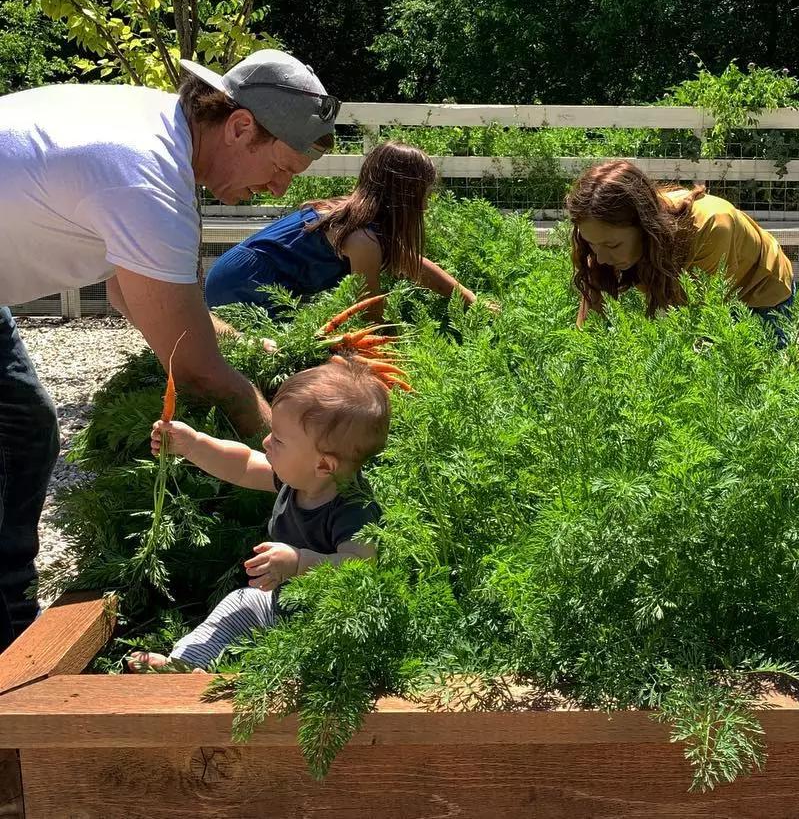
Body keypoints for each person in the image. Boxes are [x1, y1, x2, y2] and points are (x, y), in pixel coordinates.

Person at [0, 48, 337, 650]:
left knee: (21, 428)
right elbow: (200, 372)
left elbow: (130, 294)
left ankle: (8, 621)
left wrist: (252, 344)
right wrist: (295, 470)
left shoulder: (152, 128)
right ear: (239, 126)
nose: (279, 189)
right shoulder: (148, 177)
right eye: (281, 167)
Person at [126, 354, 389, 672]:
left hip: (331, 625)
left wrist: (299, 562)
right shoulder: (298, 478)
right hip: (280, 607)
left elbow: (358, 566)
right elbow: (242, 464)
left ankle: (246, 680)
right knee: (239, 603)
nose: (265, 441)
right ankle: (182, 664)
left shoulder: (354, 510)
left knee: (314, 665)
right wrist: (193, 445)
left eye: (278, 439)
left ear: (323, 465)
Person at [204, 141, 480, 317]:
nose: (428, 200)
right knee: (277, 360)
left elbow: (412, 264)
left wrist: (471, 301)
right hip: (246, 281)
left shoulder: (356, 217)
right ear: (406, 195)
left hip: (235, 270)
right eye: (425, 192)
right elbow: (369, 311)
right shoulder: (362, 239)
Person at [567, 160, 796, 340]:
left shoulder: (712, 226)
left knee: (753, 386)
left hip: (761, 290)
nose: (602, 258)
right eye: (592, 244)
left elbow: (693, 326)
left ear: (647, 227)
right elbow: (588, 329)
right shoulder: (602, 238)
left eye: (612, 246)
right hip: (705, 293)